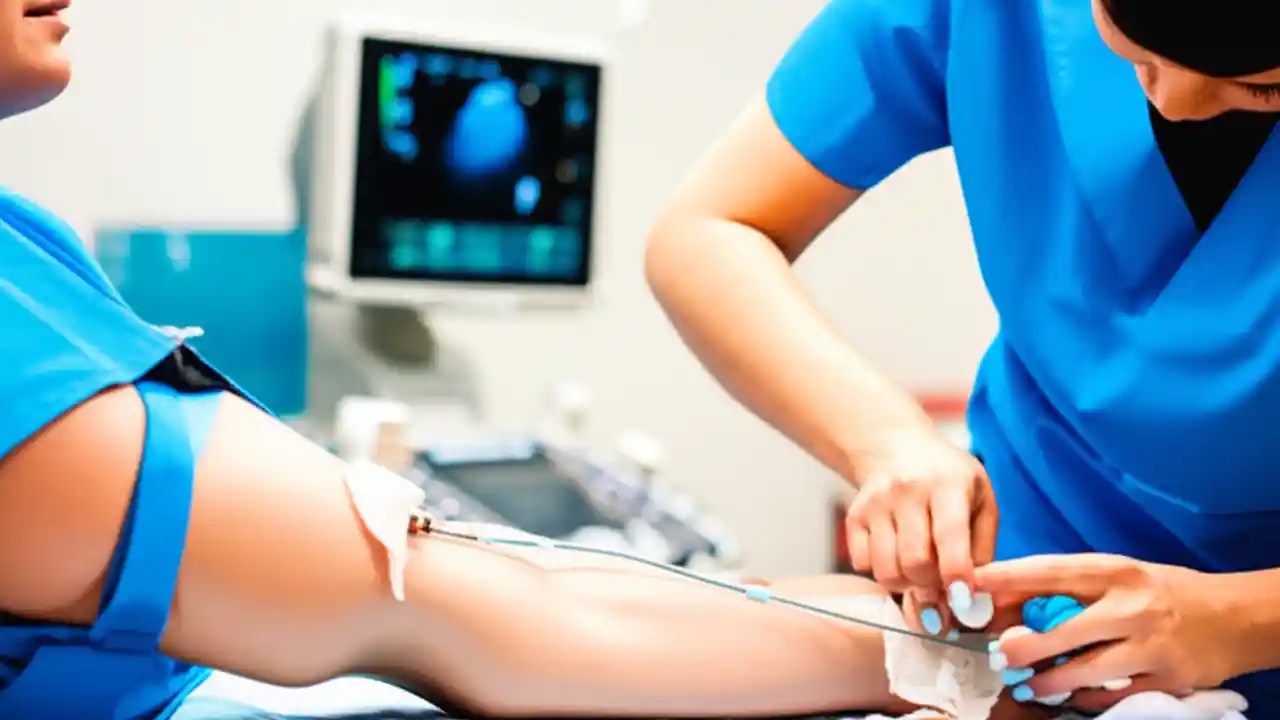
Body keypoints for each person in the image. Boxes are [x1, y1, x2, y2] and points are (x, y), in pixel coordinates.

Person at [0, 3, 993, 719]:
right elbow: (488, 618)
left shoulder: (27, 245)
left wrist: (907, 626)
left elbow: (500, 587)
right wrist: (962, 664)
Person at [647, 0, 1280, 715]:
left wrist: (1247, 620)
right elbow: (709, 229)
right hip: (1009, 606)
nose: (1174, 103)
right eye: (1128, 45)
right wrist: (885, 442)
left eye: (1265, 89)